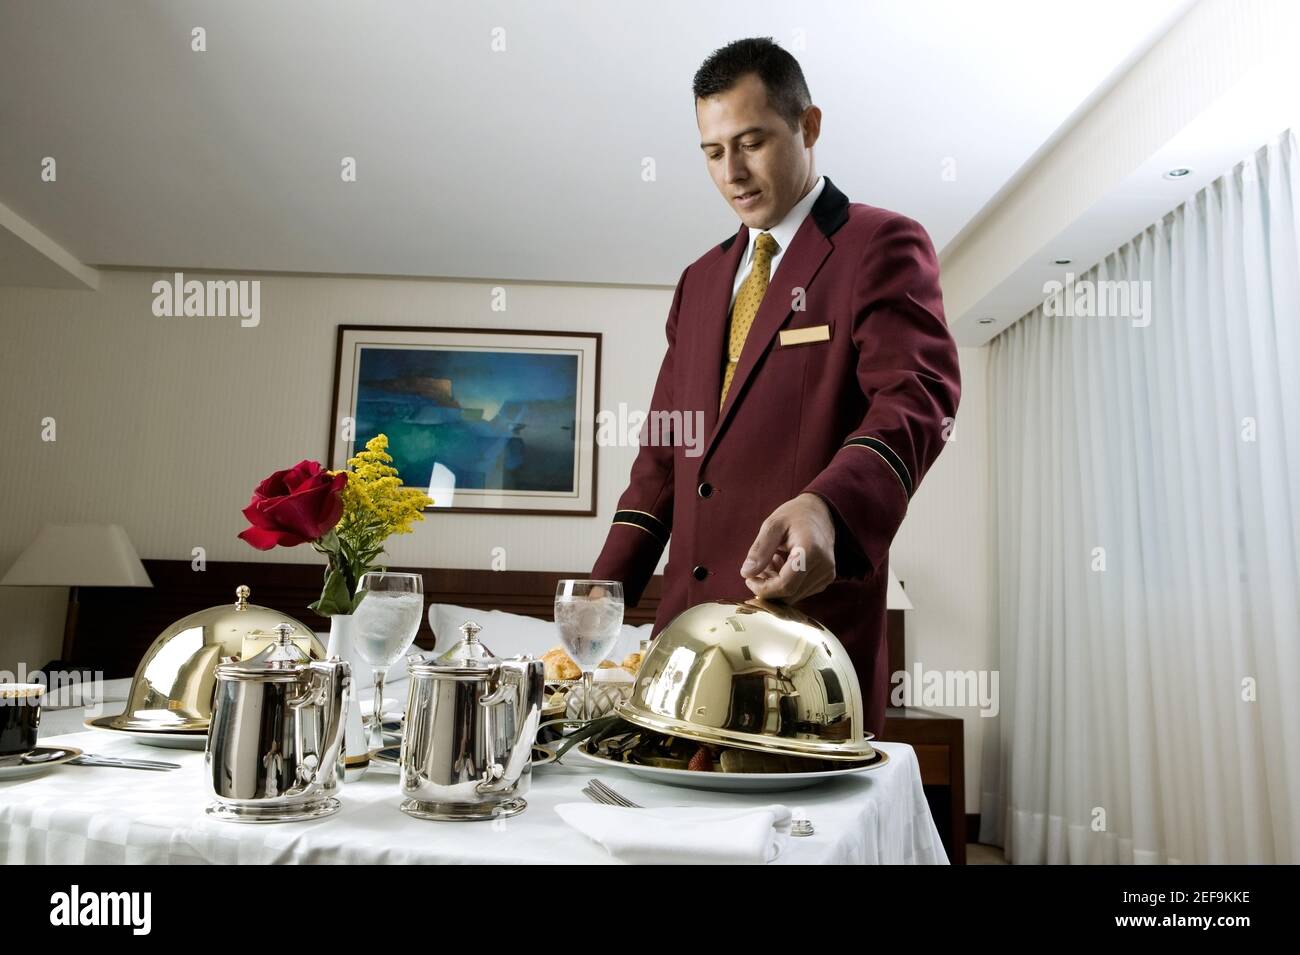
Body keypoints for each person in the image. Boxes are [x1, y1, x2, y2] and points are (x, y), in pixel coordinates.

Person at [591, 37, 961, 737]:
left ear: (808, 127)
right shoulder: (698, 282)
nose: (732, 171)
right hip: (684, 659)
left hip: (805, 658)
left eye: (752, 141)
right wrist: (603, 590)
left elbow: (919, 394)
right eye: (712, 150)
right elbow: (668, 454)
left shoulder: (879, 244)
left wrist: (827, 506)